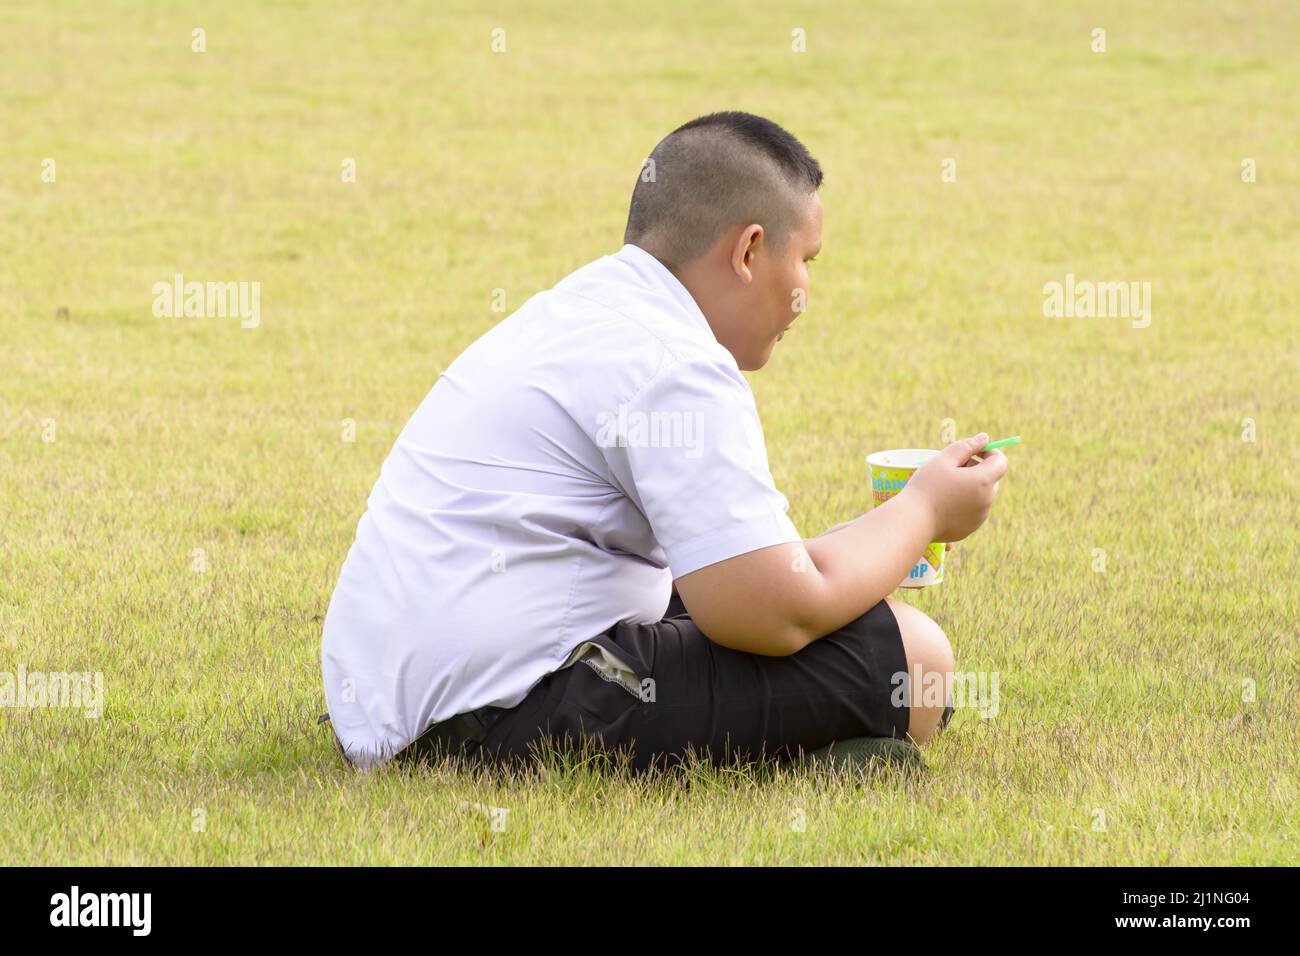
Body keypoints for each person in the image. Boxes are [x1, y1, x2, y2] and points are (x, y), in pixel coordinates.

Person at [319, 110, 1008, 773]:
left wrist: (891, 526)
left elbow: (750, 573)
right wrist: (922, 514)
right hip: (499, 716)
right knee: (918, 662)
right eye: (806, 261)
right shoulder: (673, 363)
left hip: (393, 696)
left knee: (797, 598)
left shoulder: (583, 306)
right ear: (748, 250)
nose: (806, 291)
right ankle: (824, 756)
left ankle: (820, 742)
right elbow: (777, 613)